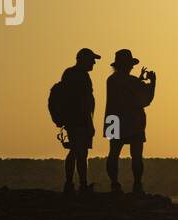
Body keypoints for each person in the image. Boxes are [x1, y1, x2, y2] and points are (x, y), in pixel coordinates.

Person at [104, 49, 157, 195]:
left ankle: (114, 184)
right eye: (130, 64)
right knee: (137, 154)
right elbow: (145, 98)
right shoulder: (131, 81)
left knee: (113, 153)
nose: (132, 67)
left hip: (112, 119)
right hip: (133, 121)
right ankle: (137, 184)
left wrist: (138, 80)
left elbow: (127, 89)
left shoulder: (111, 80)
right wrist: (153, 82)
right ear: (126, 65)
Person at [60, 48, 100, 194]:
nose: (94, 63)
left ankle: (71, 184)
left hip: (72, 120)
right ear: (83, 60)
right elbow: (83, 103)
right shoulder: (80, 76)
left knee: (75, 151)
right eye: (92, 60)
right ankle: (81, 185)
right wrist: (89, 123)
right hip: (80, 120)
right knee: (80, 153)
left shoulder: (70, 74)